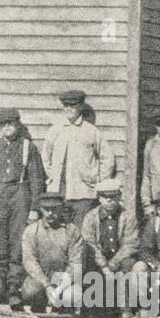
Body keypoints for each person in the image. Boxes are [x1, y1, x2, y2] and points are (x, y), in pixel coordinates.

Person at [0, 108, 46, 309]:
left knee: (18, 241)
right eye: (3, 125)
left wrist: (35, 208)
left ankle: (13, 289)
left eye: (11, 123)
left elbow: (37, 180)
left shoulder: (29, 147)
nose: (7, 128)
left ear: (18, 124)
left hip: (20, 194)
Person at [42, 89, 115, 226]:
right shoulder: (54, 130)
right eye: (66, 105)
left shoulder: (91, 131)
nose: (69, 109)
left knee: (81, 233)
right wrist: (51, 175)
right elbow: (45, 157)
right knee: (60, 231)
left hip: (83, 194)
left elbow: (108, 158)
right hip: (58, 194)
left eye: (73, 105)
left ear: (80, 106)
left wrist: (99, 182)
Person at [80, 178, 142, 318]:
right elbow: (89, 242)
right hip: (99, 259)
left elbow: (131, 243)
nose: (109, 200)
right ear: (99, 198)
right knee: (86, 262)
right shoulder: (90, 217)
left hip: (119, 258)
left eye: (113, 197)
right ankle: (91, 308)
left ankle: (126, 307)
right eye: (105, 197)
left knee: (129, 265)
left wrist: (114, 263)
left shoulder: (128, 216)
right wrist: (104, 266)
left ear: (119, 197)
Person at [19, 193, 85, 312]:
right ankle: (39, 304)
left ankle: (62, 307)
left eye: (54, 209)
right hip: (40, 279)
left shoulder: (72, 231)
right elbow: (30, 261)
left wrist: (60, 287)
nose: (50, 213)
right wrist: (47, 285)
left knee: (73, 295)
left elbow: (76, 262)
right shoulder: (31, 230)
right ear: (40, 209)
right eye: (46, 209)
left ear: (61, 209)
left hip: (64, 279)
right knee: (30, 291)